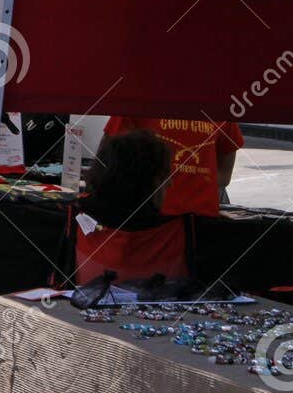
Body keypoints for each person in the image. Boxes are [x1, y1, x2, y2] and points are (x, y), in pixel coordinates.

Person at [75, 130, 188, 282]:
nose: (170, 183)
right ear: (149, 183)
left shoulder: (76, 216)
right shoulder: (180, 230)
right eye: (163, 177)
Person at [104, 116, 243, 217]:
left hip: (199, 221)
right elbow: (108, 161)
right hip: (151, 223)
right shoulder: (141, 96)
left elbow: (224, 176)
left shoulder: (218, 102)